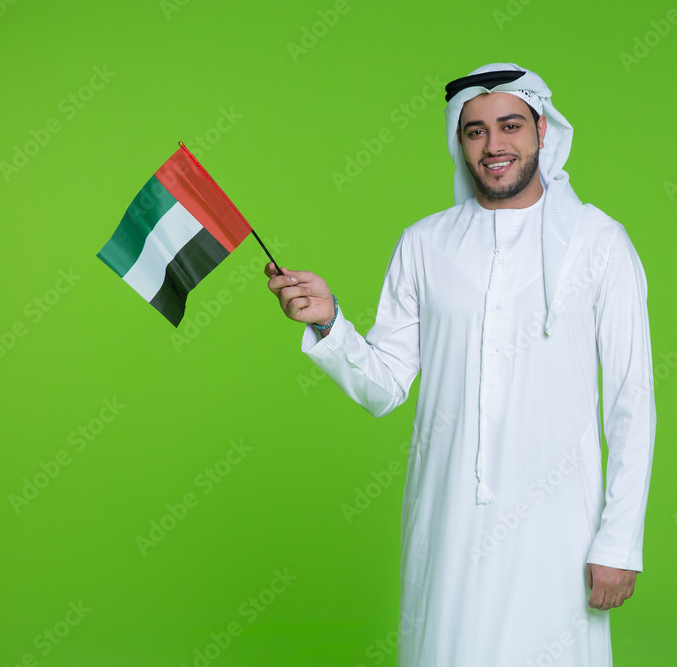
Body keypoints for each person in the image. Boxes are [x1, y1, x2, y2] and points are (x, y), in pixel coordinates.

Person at [265, 62, 656, 666]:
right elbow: (384, 385)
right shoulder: (424, 244)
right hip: (446, 528)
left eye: (510, 126)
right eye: (475, 131)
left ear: (542, 130)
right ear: (459, 140)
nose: (494, 145)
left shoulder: (599, 242)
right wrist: (328, 321)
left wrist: (620, 541)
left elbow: (631, 401)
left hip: (560, 530)